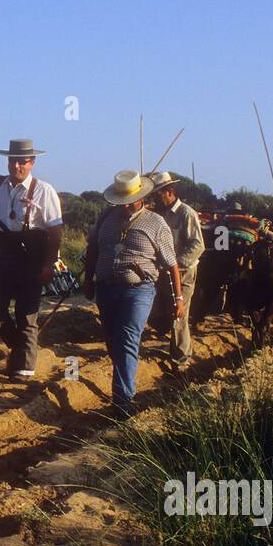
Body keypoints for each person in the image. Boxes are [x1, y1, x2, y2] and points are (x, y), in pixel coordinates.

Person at [82, 171, 181, 413]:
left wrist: (179, 298)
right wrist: (88, 279)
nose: (125, 206)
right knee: (112, 342)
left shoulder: (156, 223)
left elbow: (172, 264)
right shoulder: (106, 219)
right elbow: (93, 249)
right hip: (106, 289)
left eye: (130, 201)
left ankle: (122, 402)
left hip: (138, 291)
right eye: (121, 201)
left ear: (142, 198)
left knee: (126, 339)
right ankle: (123, 386)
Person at [0, 139, 64, 379]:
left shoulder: (44, 191)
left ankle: (22, 369)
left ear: (31, 163)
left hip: (32, 257)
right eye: (13, 161)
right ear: (8, 161)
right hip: (4, 254)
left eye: (22, 162)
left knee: (26, 313)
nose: (16, 167)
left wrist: (49, 263)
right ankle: (21, 346)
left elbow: (55, 232)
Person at [147, 171, 204, 368]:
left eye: (157, 194)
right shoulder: (159, 215)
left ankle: (181, 359)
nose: (155, 199)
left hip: (184, 273)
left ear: (169, 192)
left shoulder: (186, 213)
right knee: (160, 313)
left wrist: (175, 263)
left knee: (179, 315)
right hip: (164, 272)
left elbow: (197, 245)